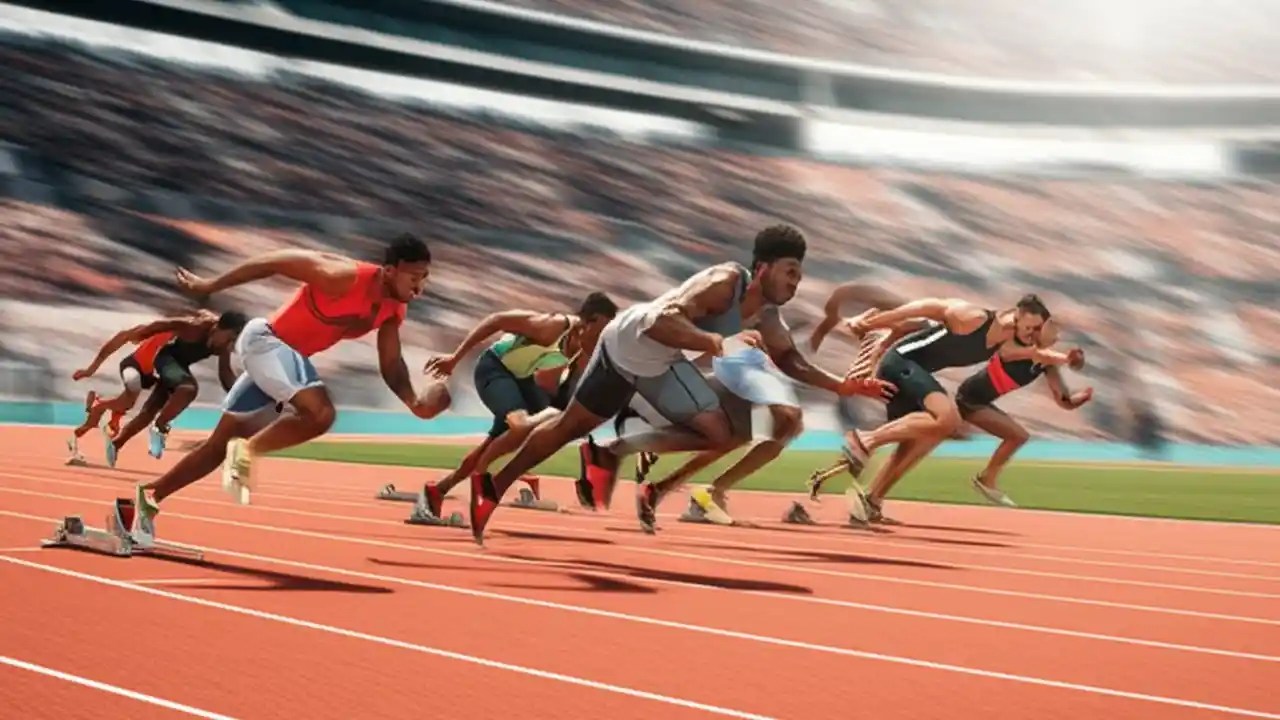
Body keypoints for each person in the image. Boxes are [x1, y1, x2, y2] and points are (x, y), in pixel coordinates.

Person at [468, 225, 835, 545]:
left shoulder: (768, 317)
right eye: (791, 272)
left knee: (716, 433)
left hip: (646, 357)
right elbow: (661, 322)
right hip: (634, 345)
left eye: (799, 277)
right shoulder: (724, 283)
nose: (795, 283)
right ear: (763, 268)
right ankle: (508, 485)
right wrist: (716, 342)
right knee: (572, 429)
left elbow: (791, 361)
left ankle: (586, 460)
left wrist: (845, 387)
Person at [129, 234, 441, 544]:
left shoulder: (394, 310)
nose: (420, 288)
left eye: (425, 278)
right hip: (266, 343)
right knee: (320, 414)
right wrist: (210, 285)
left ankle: (145, 500)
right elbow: (275, 261)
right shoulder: (342, 277)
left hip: (278, 365)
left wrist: (413, 401)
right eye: (414, 277)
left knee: (216, 448)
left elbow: (391, 363)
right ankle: (248, 452)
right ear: (389, 271)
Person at [626, 306, 896, 531]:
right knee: (785, 422)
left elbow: (797, 358)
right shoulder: (760, 315)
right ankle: (698, 484)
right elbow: (797, 358)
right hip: (744, 370)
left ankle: (674, 486)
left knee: (743, 436)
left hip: (750, 373)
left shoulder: (777, 327)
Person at [840, 293, 1082, 523]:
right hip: (901, 361)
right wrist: (872, 321)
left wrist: (1064, 359)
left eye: (1039, 329)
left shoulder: (1005, 344)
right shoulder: (973, 318)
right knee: (950, 419)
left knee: (926, 436)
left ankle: (871, 500)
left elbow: (1034, 354)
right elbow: (925, 307)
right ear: (1015, 316)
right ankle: (864, 439)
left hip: (914, 374)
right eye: (1032, 327)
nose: (1035, 333)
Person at [412, 291, 619, 520]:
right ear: (585, 323)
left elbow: (567, 398)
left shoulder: (583, 352)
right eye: (602, 333)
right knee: (521, 427)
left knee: (521, 435)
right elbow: (497, 320)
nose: (603, 342)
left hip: (522, 379)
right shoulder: (551, 326)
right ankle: (481, 478)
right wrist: (454, 358)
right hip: (494, 369)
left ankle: (437, 491)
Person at [68, 310, 246, 466]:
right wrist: (92, 368)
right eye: (230, 339)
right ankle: (159, 427)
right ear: (218, 327)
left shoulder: (223, 344)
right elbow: (142, 330)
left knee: (148, 412)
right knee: (188, 389)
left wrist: (244, 396)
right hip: (165, 359)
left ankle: (116, 444)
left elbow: (225, 375)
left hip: (179, 368)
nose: (229, 346)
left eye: (234, 342)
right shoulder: (194, 327)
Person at [955, 322, 1093, 507]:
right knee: (1018, 436)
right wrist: (1068, 359)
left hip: (979, 402)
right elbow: (1040, 354)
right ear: (1038, 333)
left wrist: (1081, 398)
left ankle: (987, 479)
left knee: (1018, 436)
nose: (1057, 337)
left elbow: (1064, 401)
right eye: (1053, 332)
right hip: (968, 398)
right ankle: (986, 479)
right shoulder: (1020, 346)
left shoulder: (1047, 366)